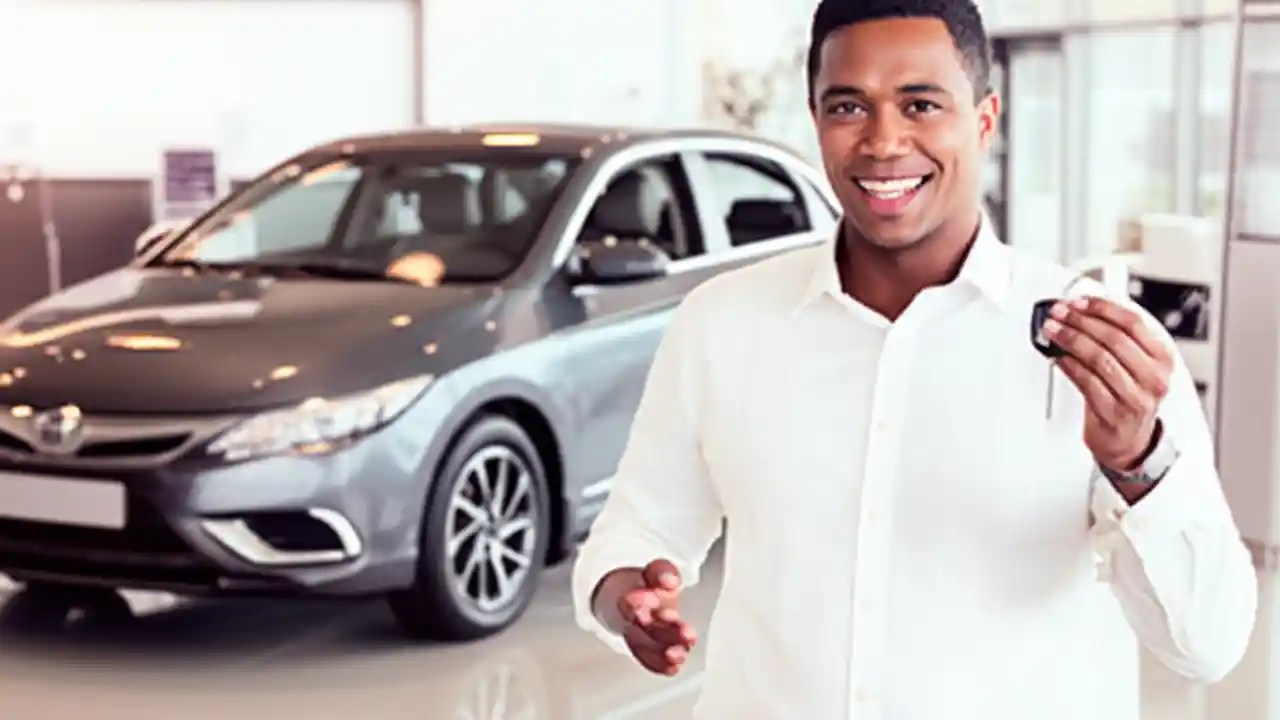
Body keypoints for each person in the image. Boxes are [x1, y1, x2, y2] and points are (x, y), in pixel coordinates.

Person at [571, 0, 1259, 717]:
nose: (883, 140)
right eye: (848, 107)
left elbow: (1205, 643)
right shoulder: (722, 322)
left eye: (920, 103)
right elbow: (637, 528)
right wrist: (627, 597)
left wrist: (1136, 460)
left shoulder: (1103, 348)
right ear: (815, 120)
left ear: (984, 119)